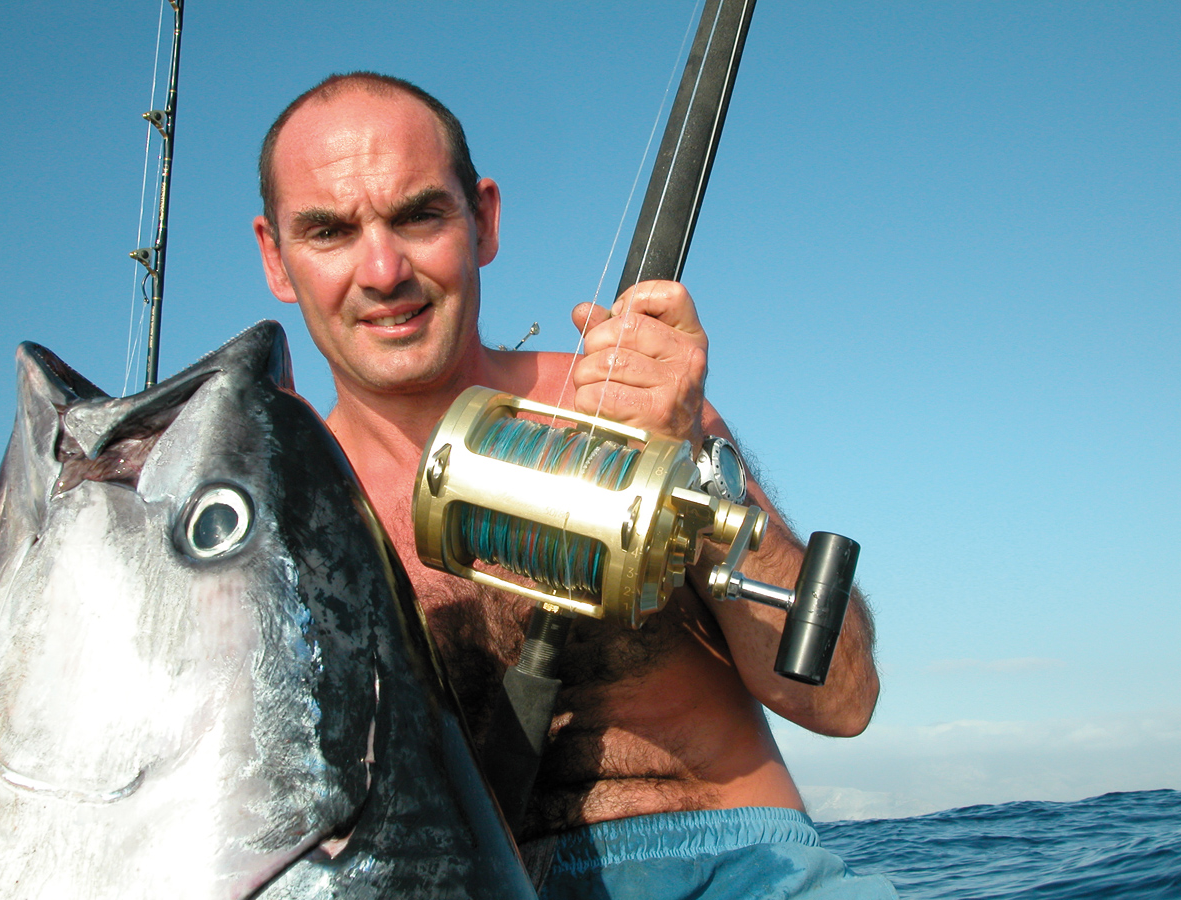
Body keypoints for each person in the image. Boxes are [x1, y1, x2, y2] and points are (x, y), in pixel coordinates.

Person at [254, 72, 895, 899]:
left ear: (483, 220)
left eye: (419, 216)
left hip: (742, 869)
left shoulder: (642, 405)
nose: (383, 270)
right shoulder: (283, 522)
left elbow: (842, 699)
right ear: (276, 257)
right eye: (330, 232)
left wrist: (691, 467)